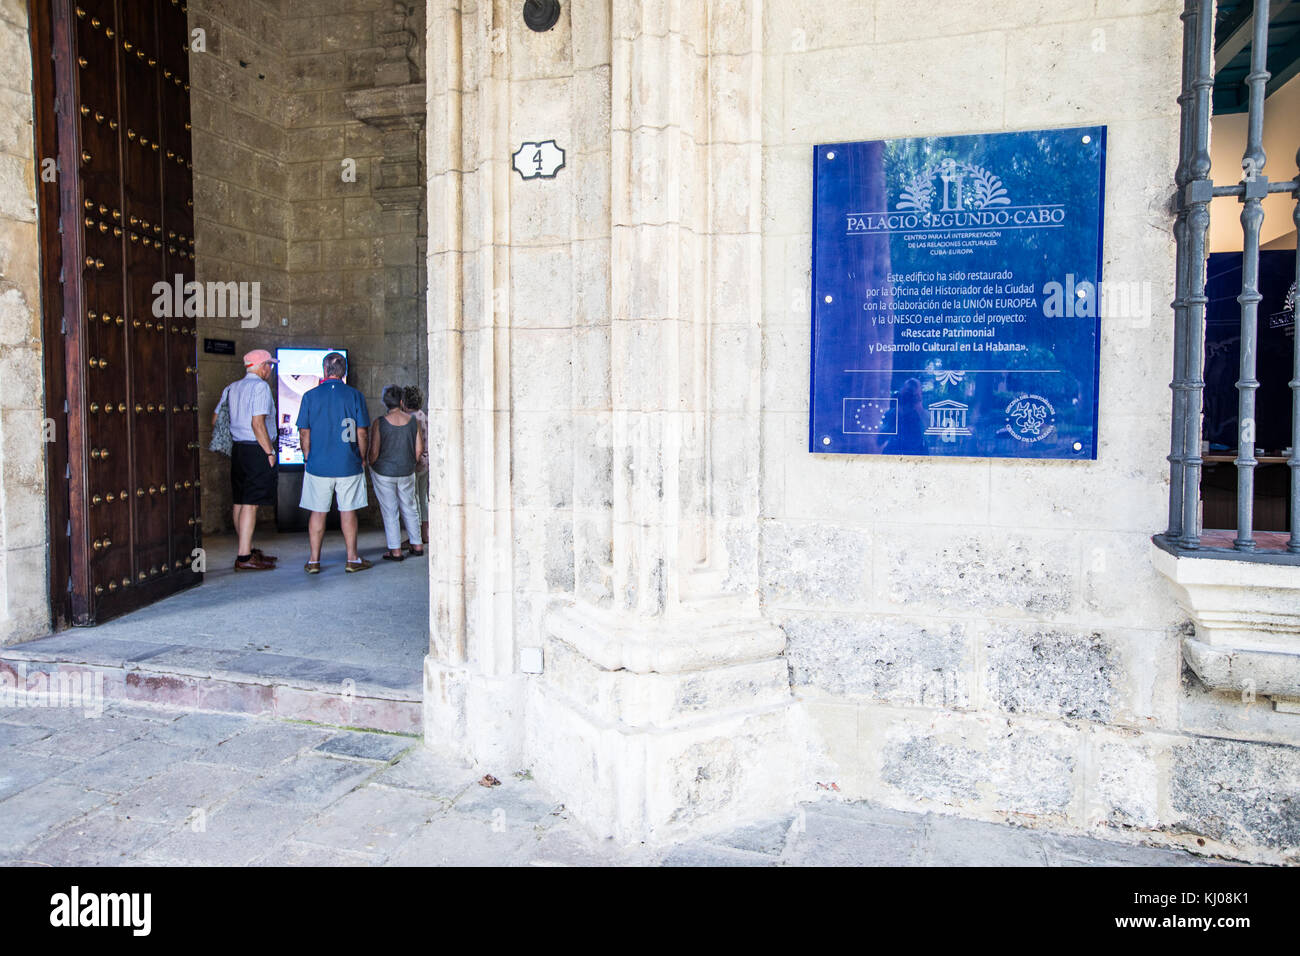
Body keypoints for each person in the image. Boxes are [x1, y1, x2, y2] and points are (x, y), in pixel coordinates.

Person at [296, 352, 371, 573]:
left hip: (318, 465)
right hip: (348, 463)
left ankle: (314, 561)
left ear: (324, 371)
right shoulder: (355, 396)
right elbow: (362, 432)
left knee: (318, 512)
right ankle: (352, 559)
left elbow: (304, 433)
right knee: (348, 511)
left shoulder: (309, 396)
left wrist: (307, 456)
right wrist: (362, 457)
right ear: (344, 372)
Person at [220, 349, 279, 571]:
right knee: (250, 504)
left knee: (240, 501)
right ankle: (244, 557)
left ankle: (247, 549)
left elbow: (218, 417)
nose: (270, 370)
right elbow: (258, 424)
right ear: (262, 366)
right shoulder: (260, 387)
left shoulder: (232, 387)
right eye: (269, 366)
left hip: (239, 449)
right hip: (256, 449)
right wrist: (269, 452)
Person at [368, 385, 424, 561]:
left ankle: (395, 550)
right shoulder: (413, 421)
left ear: (385, 402)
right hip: (407, 471)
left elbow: (374, 452)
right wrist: (409, 463)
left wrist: (371, 463)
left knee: (390, 510)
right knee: (410, 507)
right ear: (401, 401)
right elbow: (419, 449)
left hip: (384, 472)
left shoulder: (380, 423)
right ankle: (417, 544)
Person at [401, 384, 429, 550]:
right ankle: (426, 532)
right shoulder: (423, 415)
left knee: (414, 500)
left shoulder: (410, 419)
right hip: (427, 462)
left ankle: (415, 536)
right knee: (423, 497)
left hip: (415, 463)